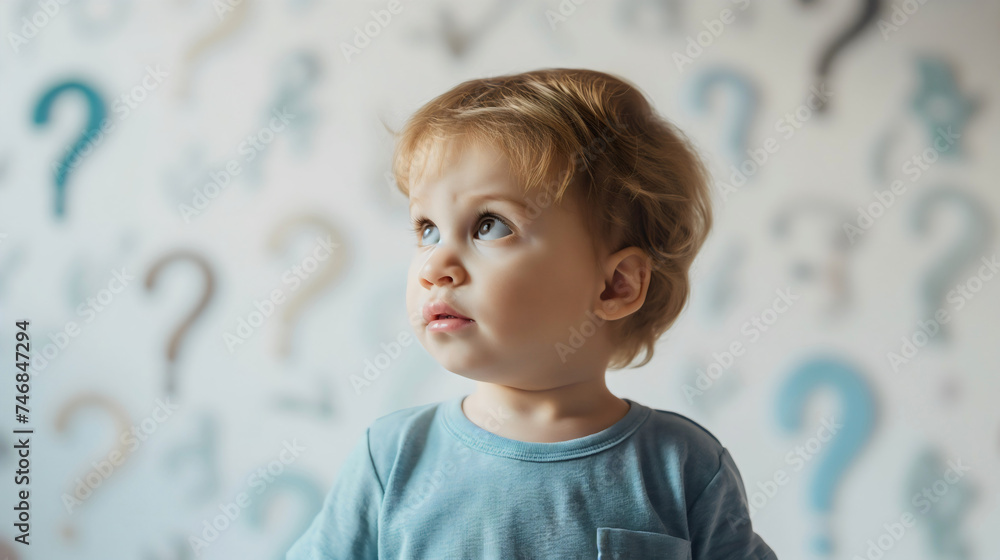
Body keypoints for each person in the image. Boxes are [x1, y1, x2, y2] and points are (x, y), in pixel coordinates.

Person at [287, 68, 778, 559]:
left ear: (615, 285)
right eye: (428, 229)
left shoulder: (681, 466)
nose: (435, 265)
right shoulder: (392, 459)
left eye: (489, 225)